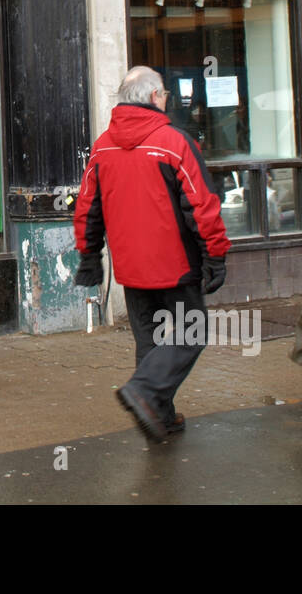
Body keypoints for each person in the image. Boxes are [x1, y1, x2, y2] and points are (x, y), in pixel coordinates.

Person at [73, 66, 231, 443]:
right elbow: (202, 206)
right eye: (163, 94)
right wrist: (215, 255)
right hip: (175, 264)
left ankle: (159, 414)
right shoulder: (174, 142)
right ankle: (144, 390)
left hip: (131, 265)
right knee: (191, 333)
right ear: (153, 97)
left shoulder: (103, 146)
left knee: (151, 339)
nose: (165, 100)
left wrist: (89, 255)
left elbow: (87, 206)